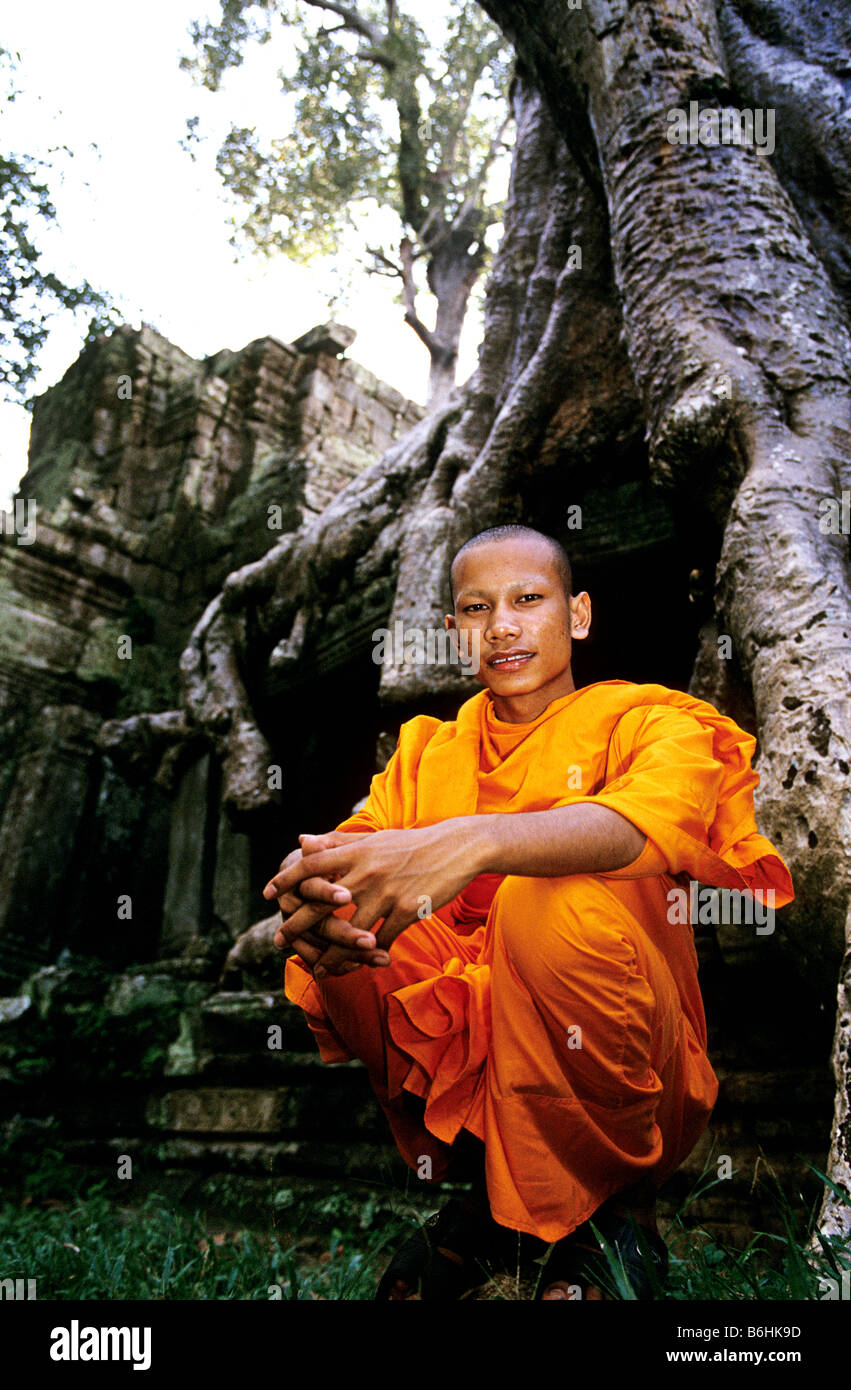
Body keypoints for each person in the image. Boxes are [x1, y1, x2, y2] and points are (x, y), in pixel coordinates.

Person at [263, 525, 794, 1300]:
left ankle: (621, 1205)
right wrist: (307, 887)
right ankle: (500, 1198)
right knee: (343, 938)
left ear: (576, 615)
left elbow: (643, 823)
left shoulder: (651, 721)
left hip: (633, 1070)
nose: (501, 626)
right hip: (482, 1067)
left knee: (543, 900)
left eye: (527, 600)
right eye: (475, 609)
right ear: (454, 635)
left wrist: (474, 844)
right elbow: (349, 853)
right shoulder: (424, 753)